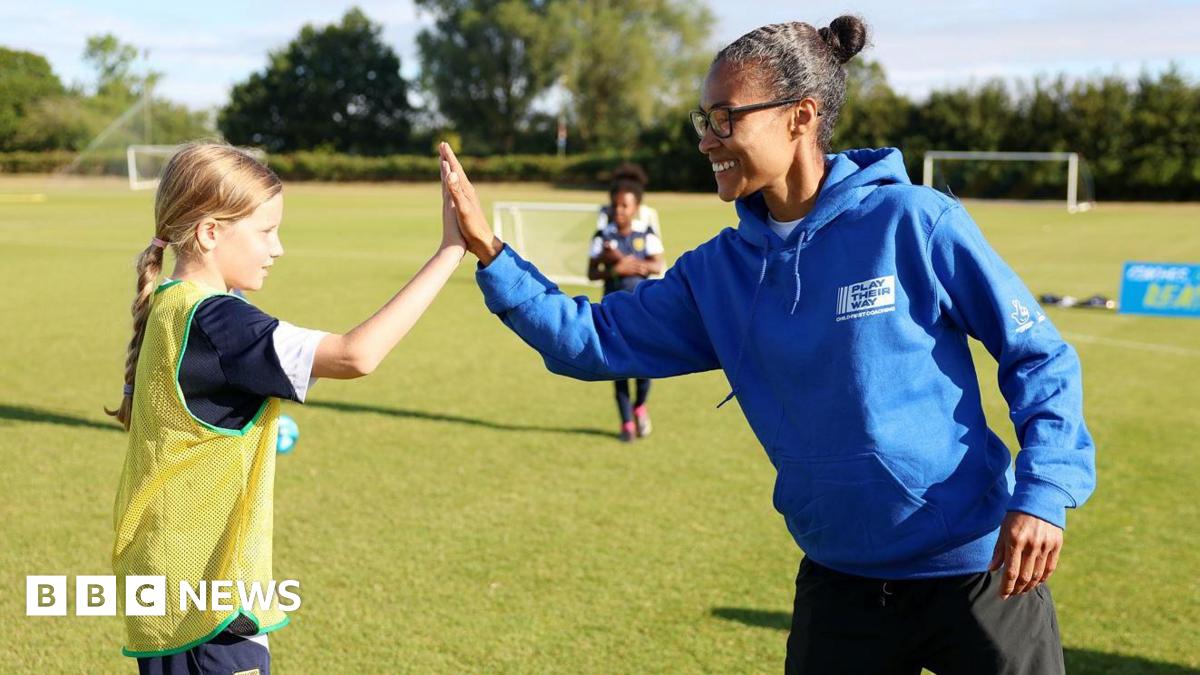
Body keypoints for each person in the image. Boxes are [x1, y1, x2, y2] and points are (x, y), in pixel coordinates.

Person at [439, 14, 1095, 674]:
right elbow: (594, 339)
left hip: (980, 574)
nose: (707, 141)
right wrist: (492, 253)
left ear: (800, 116)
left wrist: (1042, 493)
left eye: (725, 118)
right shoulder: (717, 273)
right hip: (840, 586)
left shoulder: (914, 222)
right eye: (703, 120)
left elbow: (1037, 355)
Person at [108, 142, 465, 673]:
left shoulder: (170, 302)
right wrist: (450, 252)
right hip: (209, 597)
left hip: (169, 576)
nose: (278, 248)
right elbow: (356, 354)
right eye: (265, 230)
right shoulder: (220, 323)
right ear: (209, 232)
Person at [588, 167, 665, 440]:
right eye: (615, 205)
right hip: (612, 313)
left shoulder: (646, 234)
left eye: (625, 206)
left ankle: (640, 405)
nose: (619, 210)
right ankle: (626, 425)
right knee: (617, 368)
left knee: (645, 369)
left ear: (636, 208)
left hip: (644, 312)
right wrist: (614, 271)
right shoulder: (602, 238)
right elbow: (591, 273)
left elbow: (658, 264)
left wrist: (634, 265)